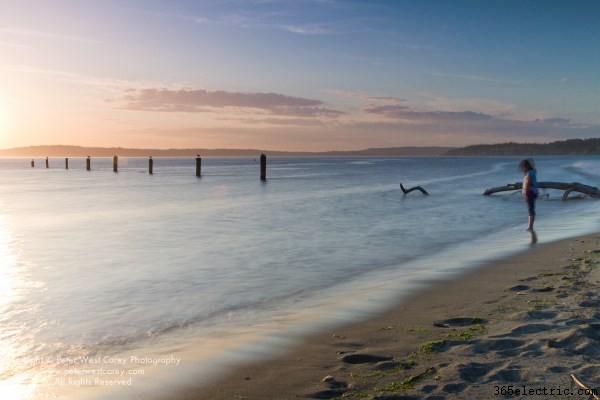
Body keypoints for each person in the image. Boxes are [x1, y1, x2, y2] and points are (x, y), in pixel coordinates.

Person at [519, 158, 538, 231]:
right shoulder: (529, 172)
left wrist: (525, 193)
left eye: (523, 166)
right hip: (531, 192)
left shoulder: (530, 172)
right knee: (530, 209)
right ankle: (530, 226)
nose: (523, 168)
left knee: (531, 210)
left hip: (531, 193)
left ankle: (530, 227)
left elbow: (528, 183)